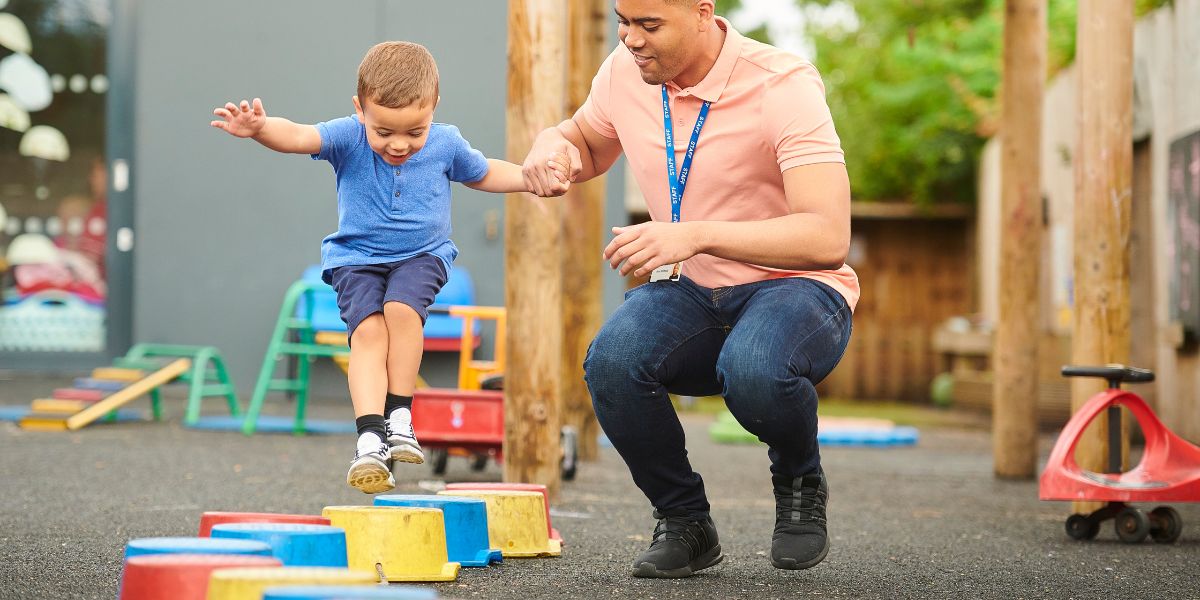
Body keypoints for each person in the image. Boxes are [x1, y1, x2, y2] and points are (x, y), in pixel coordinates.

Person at [522, 0, 858, 578]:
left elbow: (826, 235)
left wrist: (695, 235)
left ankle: (800, 474)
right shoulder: (624, 72)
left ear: (704, 14)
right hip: (695, 292)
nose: (630, 39)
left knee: (754, 368)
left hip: (798, 288)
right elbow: (585, 141)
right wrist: (552, 145)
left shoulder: (783, 84)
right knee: (613, 362)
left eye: (649, 25)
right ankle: (685, 523)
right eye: (624, 22)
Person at [212, 41, 569, 494]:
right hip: (355, 259)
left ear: (434, 108)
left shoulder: (445, 142)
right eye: (384, 132)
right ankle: (368, 436)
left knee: (402, 311)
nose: (399, 144)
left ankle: (400, 414)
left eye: (414, 133)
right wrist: (260, 128)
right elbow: (299, 135)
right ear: (360, 109)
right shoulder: (347, 136)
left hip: (422, 254)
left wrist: (531, 180)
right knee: (367, 333)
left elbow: (483, 174)